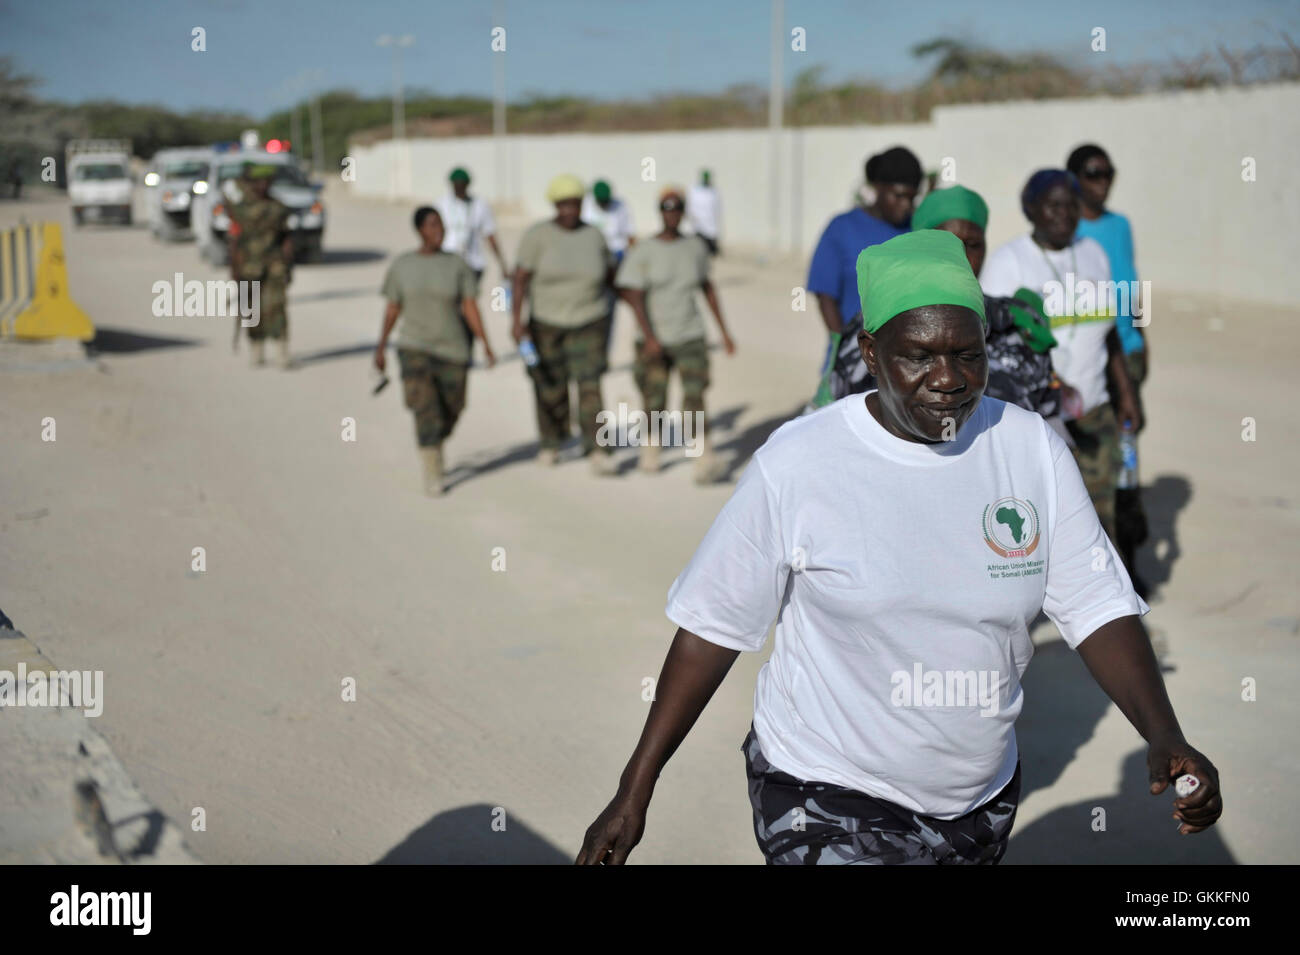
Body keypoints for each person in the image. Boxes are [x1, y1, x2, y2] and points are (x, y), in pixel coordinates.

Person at [577, 230, 1221, 866]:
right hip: (824, 788)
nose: (949, 379)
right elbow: (710, 629)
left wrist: (1163, 732)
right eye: (919, 356)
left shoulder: (1029, 448)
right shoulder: (800, 461)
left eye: (969, 355)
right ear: (871, 350)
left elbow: (1095, 603)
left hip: (979, 800)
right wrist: (635, 788)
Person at [980, 169, 1141, 545]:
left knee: (1099, 519)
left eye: (1071, 205)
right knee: (1045, 521)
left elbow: (1110, 333)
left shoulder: (1094, 254)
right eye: (1053, 206)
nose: (1064, 214)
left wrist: (1127, 393)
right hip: (1038, 417)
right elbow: (992, 345)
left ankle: (1104, 594)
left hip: (1095, 411)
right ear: (1031, 209)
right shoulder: (1009, 263)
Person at [909, 184, 1067, 435]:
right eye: (946, 244)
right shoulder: (886, 327)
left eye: (972, 245)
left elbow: (1049, 422)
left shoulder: (1018, 320)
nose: (960, 256)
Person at [1068, 143, 1150, 595]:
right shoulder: (1067, 230)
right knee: (1094, 466)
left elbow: (1133, 289)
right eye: (1092, 173)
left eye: (1107, 173)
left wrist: (1142, 343)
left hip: (1128, 357)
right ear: (1074, 177)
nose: (1102, 182)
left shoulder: (1120, 226)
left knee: (1127, 459)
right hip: (1094, 360)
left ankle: (1130, 562)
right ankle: (1102, 564)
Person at [616, 187, 735, 483]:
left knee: (695, 395)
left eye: (677, 209)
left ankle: (703, 456)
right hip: (654, 337)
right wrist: (649, 336)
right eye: (667, 209)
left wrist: (724, 332)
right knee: (654, 397)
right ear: (660, 212)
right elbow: (633, 294)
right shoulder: (644, 250)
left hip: (690, 335)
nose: (672, 214)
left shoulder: (695, 248)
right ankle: (651, 451)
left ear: (683, 213)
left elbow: (706, 288)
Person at [375, 207, 495, 497]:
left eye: (440, 225)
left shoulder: (457, 265)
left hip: (453, 348)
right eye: (431, 225)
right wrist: (380, 346)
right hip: (414, 347)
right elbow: (393, 308)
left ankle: (436, 442)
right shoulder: (403, 265)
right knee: (424, 407)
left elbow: (469, 306)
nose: (438, 230)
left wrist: (485, 343)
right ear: (419, 230)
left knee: (453, 408)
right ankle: (432, 468)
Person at [512, 174, 617, 475]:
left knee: (590, 387)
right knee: (550, 387)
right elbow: (520, 278)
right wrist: (517, 321)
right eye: (564, 205)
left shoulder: (594, 237)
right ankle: (551, 442)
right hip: (547, 324)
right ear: (555, 206)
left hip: (590, 321)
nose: (571, 210)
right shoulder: (537, 236)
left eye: (575, 204)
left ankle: (597, 448)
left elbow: (612, 276)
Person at [806, 145, 921, 409]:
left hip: (905, 374)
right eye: (899, 196)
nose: (906, 206)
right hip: (852, 370)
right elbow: (826, 298)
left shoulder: (918, 230)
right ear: (878, 188)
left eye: (912, 198)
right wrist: (847, 352)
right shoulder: (841, 228)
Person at [227, 164, 294, 368]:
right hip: (248, 266)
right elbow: (234, 239)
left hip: (274, 265)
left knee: (277, 307)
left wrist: (289, 265)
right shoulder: (240, 208)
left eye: (266, 181)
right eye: (258, 182)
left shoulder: (278, 207)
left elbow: (286, 238)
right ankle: (256, 349)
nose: (263, 185)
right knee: (251, 310)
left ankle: (281, 351)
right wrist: (234, 267)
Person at [435, 167, 508, 283]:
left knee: (469, 297)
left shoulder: (480, 204)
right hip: (447, 260)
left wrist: (502, 264)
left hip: (473, 262)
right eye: (456, 184)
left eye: (462, 184)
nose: (459, 188)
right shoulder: (441, 204)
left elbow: (490, 234)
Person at [581, 180, 636, 264]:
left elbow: (630, 232)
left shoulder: (620, 206)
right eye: (601, 201)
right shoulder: (587, 206)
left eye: (605, 201)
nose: (603, 203)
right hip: (594, 250)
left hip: (616, 250)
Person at [686, 170, 721, 256]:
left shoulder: (713, 192)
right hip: (697, 223)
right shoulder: (694, 190)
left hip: (710, 224)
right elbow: (690, 206)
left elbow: (716, 209)